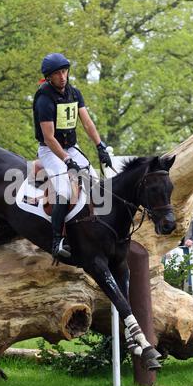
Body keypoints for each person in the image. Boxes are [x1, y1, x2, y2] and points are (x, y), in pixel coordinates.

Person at [33, 52, 112, 260]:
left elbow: (87, 123)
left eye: (64, 71)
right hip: (50, 150)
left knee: (95, 183)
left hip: (71, 147)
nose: (63, 76)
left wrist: (100, 146)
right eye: (58, 73)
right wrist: (67, 161)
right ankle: (57, 240)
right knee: (65, 192)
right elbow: (49, 138)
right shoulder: (44, 99)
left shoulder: (74, 93)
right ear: (49, 77)